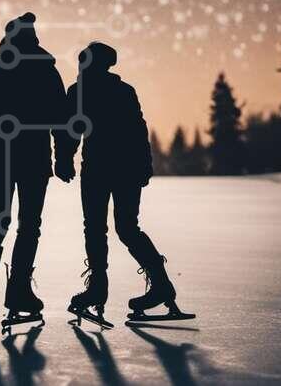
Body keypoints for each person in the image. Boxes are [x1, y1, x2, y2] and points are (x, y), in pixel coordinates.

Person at [55, 42, 184, 320]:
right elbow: (139, 130)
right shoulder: (124, 91)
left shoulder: (80, 91)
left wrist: (64, 160)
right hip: (126, 169)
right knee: (126, 227)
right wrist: (144, 166)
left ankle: (99, 290)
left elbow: (71, 130)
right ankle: (160, 285)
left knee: (97, 228)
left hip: (100, 170)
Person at [0, 12, 67, 322]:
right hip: (33, 160)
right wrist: (62, 158)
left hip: (0, 160)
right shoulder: (46, 73)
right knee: (28, 225)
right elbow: (60, 120)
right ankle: (18, 290)